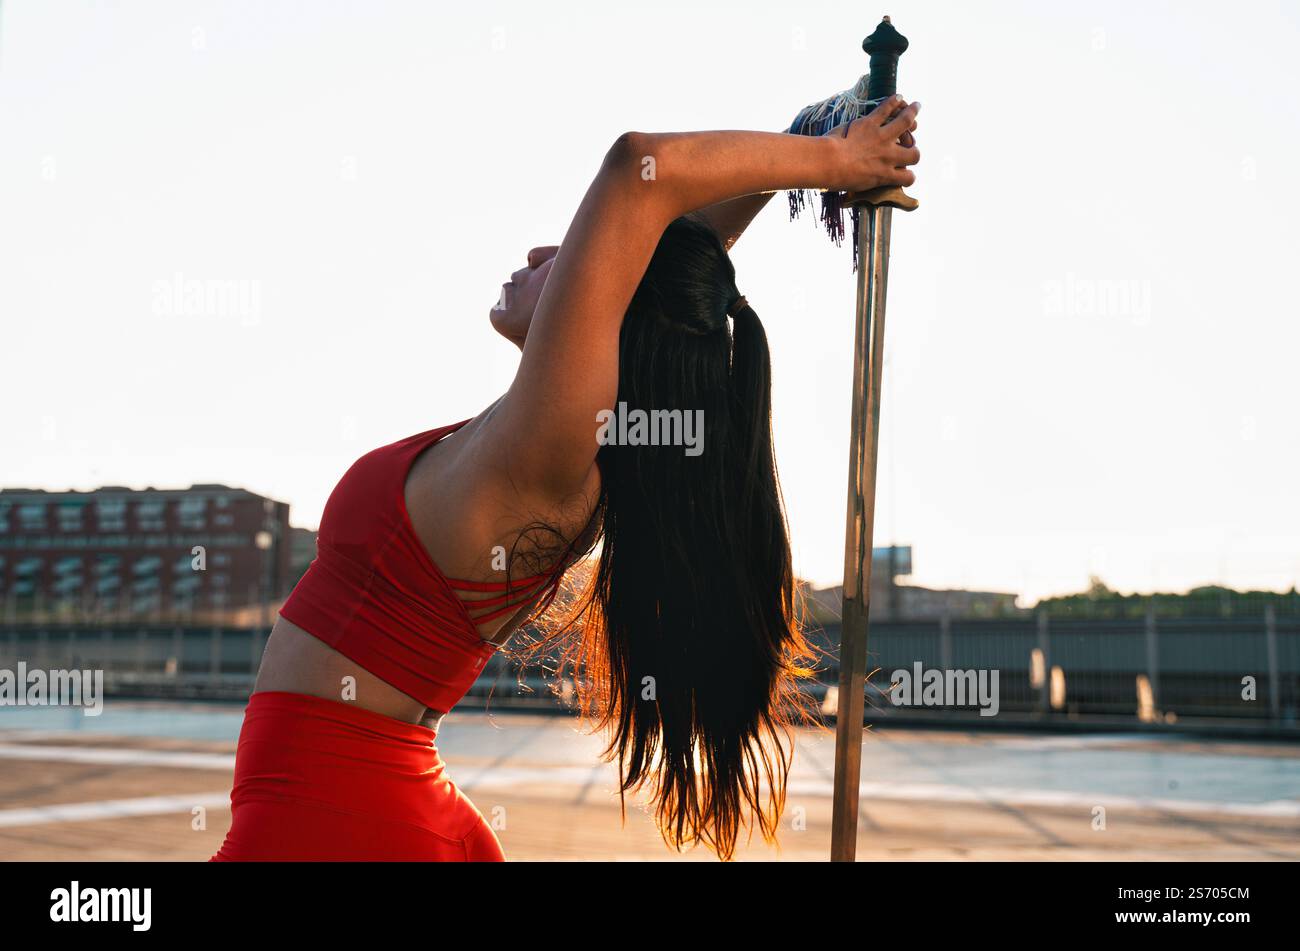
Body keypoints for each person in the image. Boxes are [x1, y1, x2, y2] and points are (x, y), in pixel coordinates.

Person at [212, 96, 922, 862]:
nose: (544, 251)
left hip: (336, 814)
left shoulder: (552, 444)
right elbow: (681, 247)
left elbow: (636, 173)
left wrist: (834, 163)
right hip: (359, 799)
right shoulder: (541, 436)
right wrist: (809, 140)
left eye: (577, 258)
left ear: (610, 317)